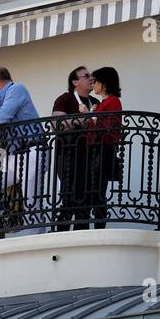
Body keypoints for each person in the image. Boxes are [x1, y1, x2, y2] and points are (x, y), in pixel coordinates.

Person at [0, 66, 46, 235]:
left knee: (31, 199)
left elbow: (1, 120)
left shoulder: (17, 89)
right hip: (14, 155)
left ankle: (36, 239)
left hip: (33, 150)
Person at [51, 66, 99, 232]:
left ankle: (81, 236)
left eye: (91, 76)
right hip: (68, 156)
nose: (91, 78)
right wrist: (81, 119)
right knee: (69, 198)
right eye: (86, 76)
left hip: (90, 156)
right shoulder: (65, 99)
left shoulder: (96, 103)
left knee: (85, 201)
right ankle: (60, 236)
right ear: (75, 82)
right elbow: (56, 124)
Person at [81, 67, 123, 229]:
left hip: (103, 150)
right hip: (95, 150)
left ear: (104, 84)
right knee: (92, 190)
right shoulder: (104, 103)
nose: (93, 85)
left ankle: (99, 228)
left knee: (98, 191)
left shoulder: (113, 101)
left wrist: (89, 114)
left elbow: (108, 127)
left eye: (96, 82)